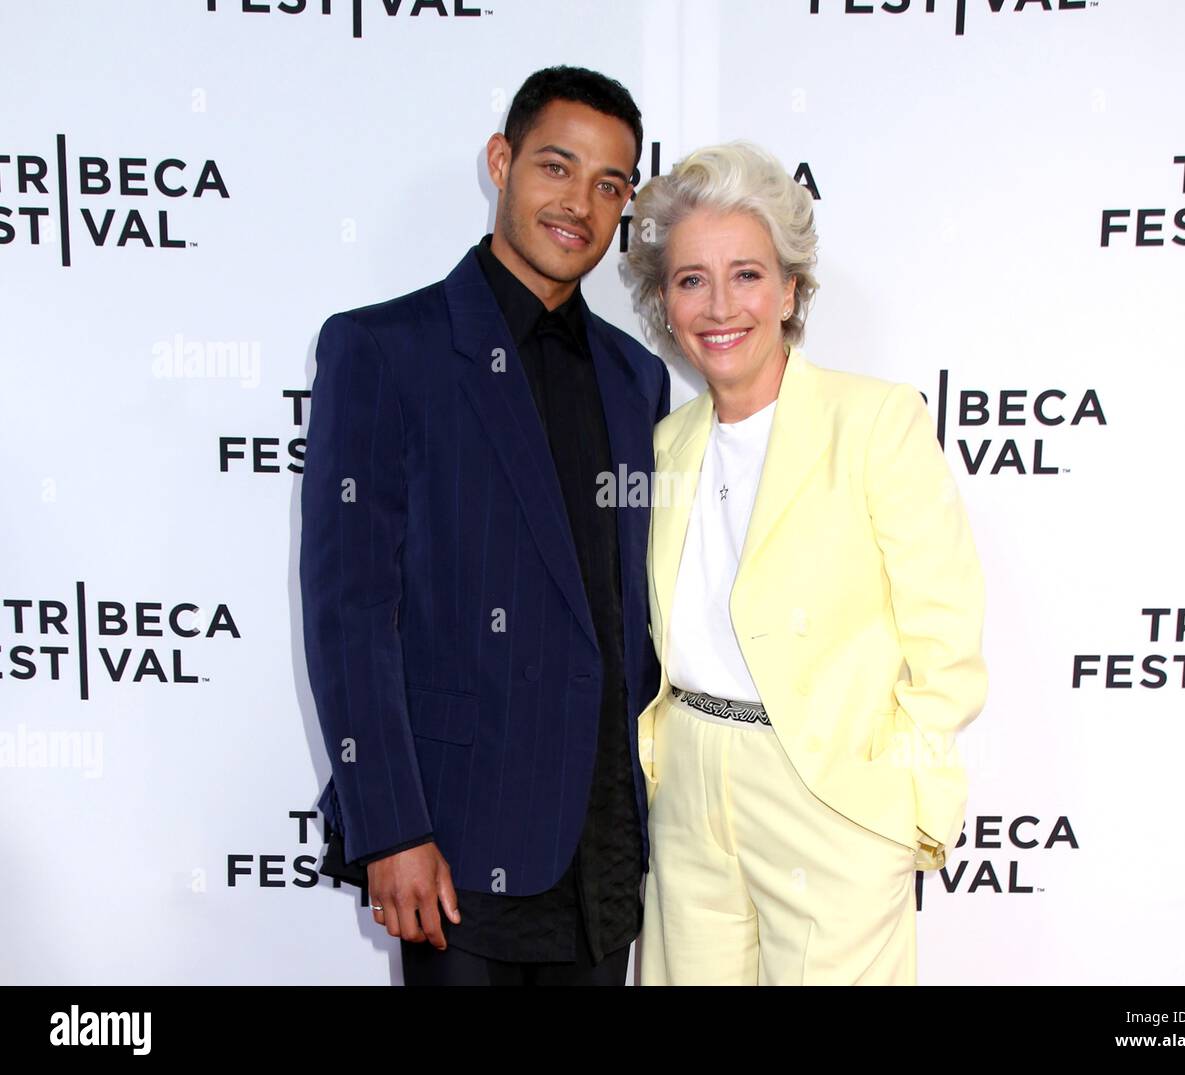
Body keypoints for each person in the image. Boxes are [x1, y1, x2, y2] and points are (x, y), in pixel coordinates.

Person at [299, 66, 670, 986]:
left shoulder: (637, 379)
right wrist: (391, 826)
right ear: (501, 163)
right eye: (557, 166)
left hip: (606, 856)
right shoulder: (384, 350)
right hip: (455, 845)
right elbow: (351, 611)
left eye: (610, 185)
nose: (580, 204)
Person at [621, 141, 988, 985]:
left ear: (789, 289)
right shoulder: (664, 447)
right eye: (690, 280)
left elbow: (946, 641)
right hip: (690, 788)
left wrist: (901, 805)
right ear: (664, 304)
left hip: (830, 793)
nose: (720, 305)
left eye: (746, 274)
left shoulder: (876, 422)